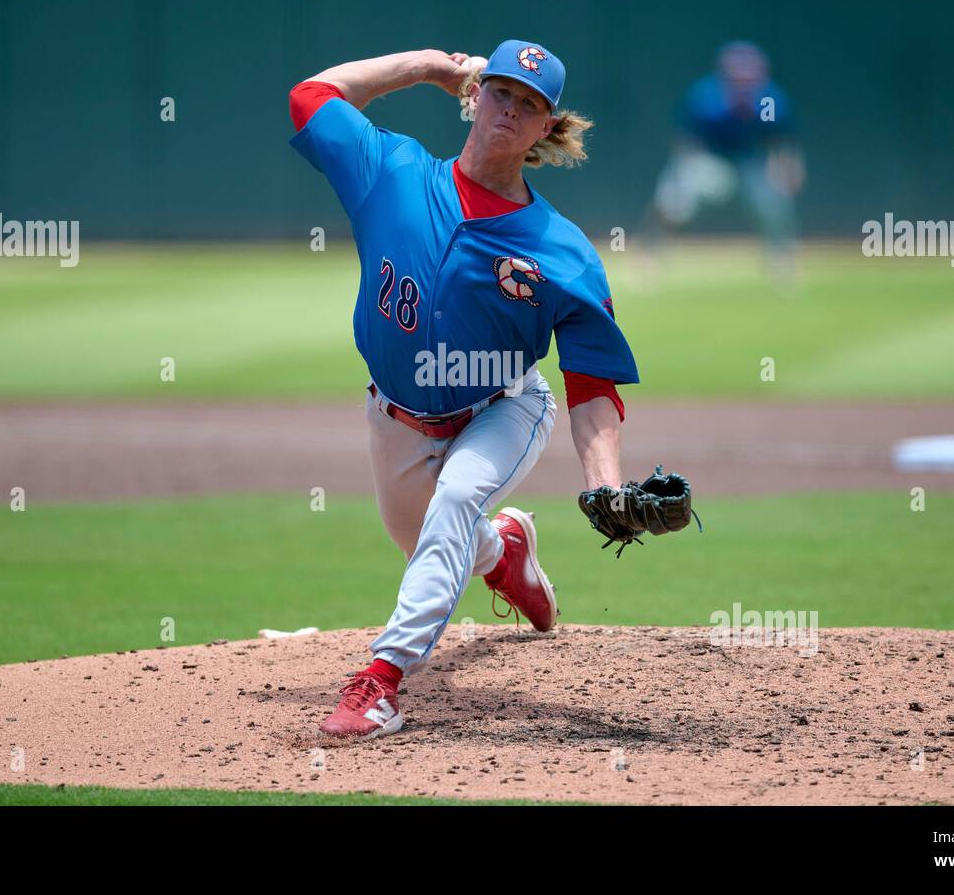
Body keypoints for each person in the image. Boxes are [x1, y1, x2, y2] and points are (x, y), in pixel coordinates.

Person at [288, 40, 638, 739]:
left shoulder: (561, 250)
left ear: (546, 128)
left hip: (503, 407)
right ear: (475, 97)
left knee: (456, 498)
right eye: (502, 91)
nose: (512, 108)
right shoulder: (390, 169)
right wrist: (425, 66)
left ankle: (381, 683)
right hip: (395, 419)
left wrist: (605, 484)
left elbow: (591, 380)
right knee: (428, 538)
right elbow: (311, 97)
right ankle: (505, 552)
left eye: (531, 104)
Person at [646, 41, 805, 283]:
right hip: (710, 161)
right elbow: (687, 143)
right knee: (673, 204)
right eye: (739, 75)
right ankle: (650, 257)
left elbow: (779, 141)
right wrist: (682, 175)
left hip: (750, 161)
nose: (745, 81)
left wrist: (786, 168)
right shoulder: (708, 98)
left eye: (750, 75)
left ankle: (782, 262)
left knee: (773, 202)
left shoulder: (768, 100)